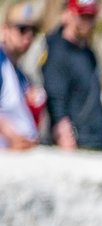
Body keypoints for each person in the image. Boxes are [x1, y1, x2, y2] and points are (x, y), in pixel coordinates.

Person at [42, 0, 102, 151]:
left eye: (91, 17)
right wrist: (64, 135)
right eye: (83, 16)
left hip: (96, 138)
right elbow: (55, 98)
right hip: (75, 142)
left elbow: (96, 99)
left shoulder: (88, 53)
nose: (88, 22)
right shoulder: (56, 50)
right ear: (68, 15)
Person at [0, 0, 42, 149]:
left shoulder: (20, 73)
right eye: (22, 29)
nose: (28, 36)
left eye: (33, 31)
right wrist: (11, 135)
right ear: (5, 30)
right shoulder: (1, 64)